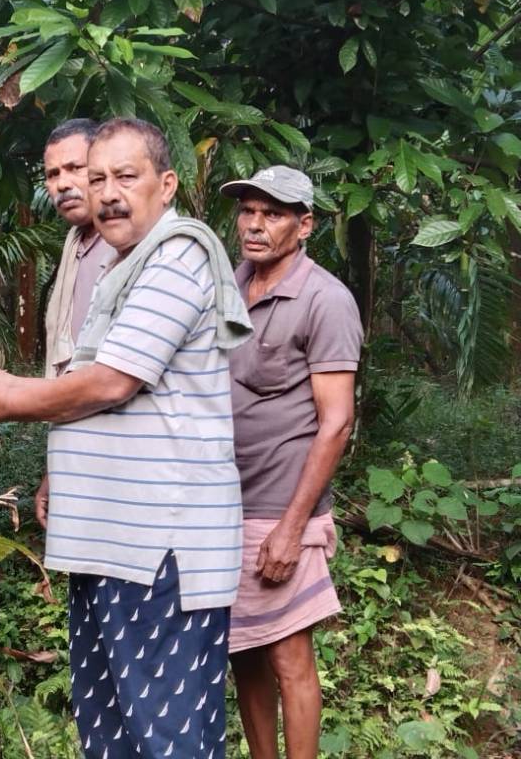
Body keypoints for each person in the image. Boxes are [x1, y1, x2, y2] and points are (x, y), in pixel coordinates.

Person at [0, 118, 252, 759]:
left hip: (159, 550)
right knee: (112, 730)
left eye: (126, 176)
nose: (108, 192)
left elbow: (113, 381)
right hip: (114, 544)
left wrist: (6, 398)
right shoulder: (124, 266)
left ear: (166, 184)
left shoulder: (177, 254)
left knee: (166, 736)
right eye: (98, 180)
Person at [220, 166, 362, 759]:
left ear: (304, 225)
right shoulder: (231, 281)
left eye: (272, 213)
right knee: (245, 651)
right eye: (248, 210)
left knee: (287, 654)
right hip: (224, 503)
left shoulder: (325, 299)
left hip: (282, 509)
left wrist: (291, 528)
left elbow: (336, 422)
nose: (255, 224)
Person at [36, 118, 115, 526]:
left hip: (129, 466)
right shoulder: (76, 243)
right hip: (79, 448)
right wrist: (57, 465)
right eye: (53, 174)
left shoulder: (133, 246)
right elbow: (67, 363)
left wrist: (11, 398)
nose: (63, 183)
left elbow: (113, 376)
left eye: (75, 168)